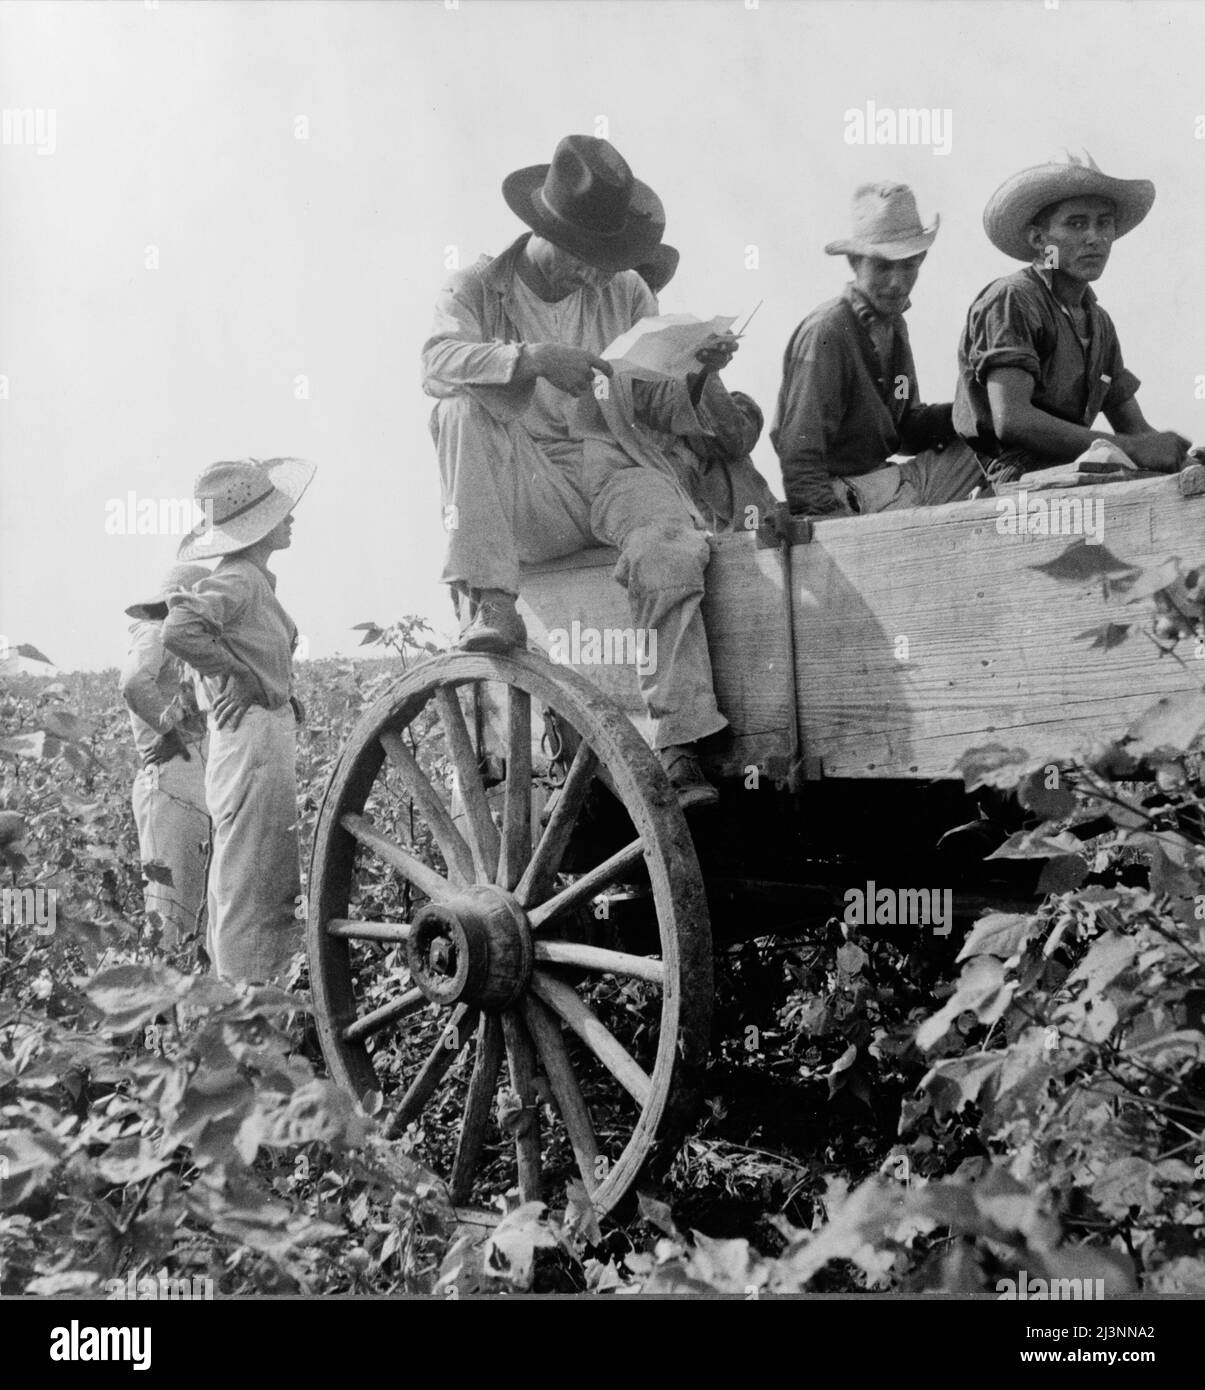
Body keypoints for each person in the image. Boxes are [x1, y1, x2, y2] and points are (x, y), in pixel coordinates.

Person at [422, 134, 746, 809]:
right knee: (456, 412)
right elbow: (436, 362)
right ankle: (491, 602)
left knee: (670, 543)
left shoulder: (626, 289)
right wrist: (531, 358)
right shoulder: (478, 287)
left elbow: (650, 398)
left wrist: (696, 370)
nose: (593, 275)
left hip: (610, 465)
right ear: (540, 228)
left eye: (606, 261)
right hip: (528, 487)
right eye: (581, 258)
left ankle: (678, 741)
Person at [162, 458, 314, 985]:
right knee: (250, 878)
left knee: (262, 873)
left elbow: (250, 651)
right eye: (280, 512)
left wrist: (276, 690)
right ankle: (244, 1009)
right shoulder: (240, 579)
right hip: (250, 741)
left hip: (261, 735)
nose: (290, 518)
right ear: (258, 527)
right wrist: (240, 678)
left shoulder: (253, 583)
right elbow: (179, 629)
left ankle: (257, 1005)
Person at [953, 151, 1190, 485]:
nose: (1094, 237)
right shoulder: (1013, 299)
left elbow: (1136, 431)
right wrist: (1132, 448)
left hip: (1076, 470)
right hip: (1016, 480)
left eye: (1104, 222)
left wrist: (1182, 456)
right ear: (1039, 239)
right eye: (1076, 223)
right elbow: (1013, 420)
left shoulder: (1099, 323)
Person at [771, 183, 982, 517]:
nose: (897, 282)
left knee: (995, 438)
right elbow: (800, 451)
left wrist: (971, 407)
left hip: (883, 484)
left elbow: (905, 430)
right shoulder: (828, 332)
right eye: (883, 267)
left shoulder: (894, 325)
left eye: (909, 266)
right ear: (855, 263)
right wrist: (835, 529)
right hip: (844, 498)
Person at [635, 245, 780, 533]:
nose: (643, 300)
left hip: (710, 521)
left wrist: (705, 370)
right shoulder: (599, 365)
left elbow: (730, 438)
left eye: (644, 292)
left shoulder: (674, 352)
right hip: (662, 516)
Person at [121, 563, 212, 947]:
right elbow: (132, 681)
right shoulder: (156, 633)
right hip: (172, 778)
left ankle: (192, 1006)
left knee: (196, 910)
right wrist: (170, 731)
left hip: (190, 778)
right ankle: (164, 1007)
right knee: (171, 917)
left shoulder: (178, 646)